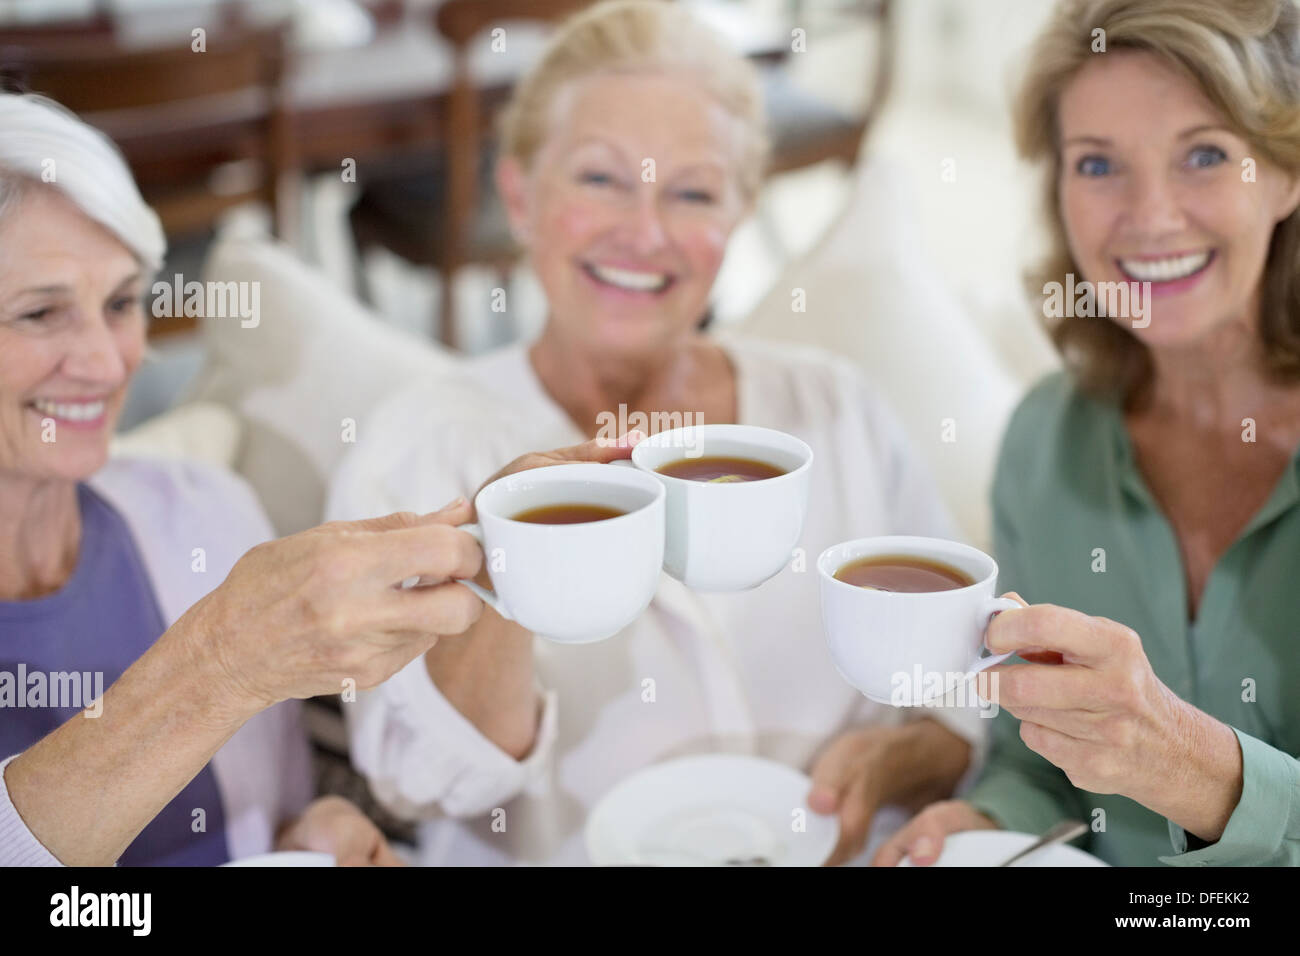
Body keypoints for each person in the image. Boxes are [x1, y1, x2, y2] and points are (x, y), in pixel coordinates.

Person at [328, 0, 983, 867]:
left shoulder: (837, 410)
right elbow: (413, 787)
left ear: (741, 213)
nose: (643, 234)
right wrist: (502, 559)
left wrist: (905, 759)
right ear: (520, 195)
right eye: (600, 180)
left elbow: (965, 689)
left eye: (692, 192)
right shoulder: (420, 444)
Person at [0, 92, 487, 866]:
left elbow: (274, 813)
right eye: (39, 314)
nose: (104, 361)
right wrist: (219, 663)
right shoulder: (232, 605)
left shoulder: (204, 513)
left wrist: (313, 831)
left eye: (121, 302)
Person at [876, 0, 1300, 867]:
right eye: (1098, 163)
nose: (1148, 216)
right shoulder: (1044, 440)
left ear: (1288, 173)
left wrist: (1197, 769)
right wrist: (990, 822)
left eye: (1205, 154)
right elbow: (1035, 760)